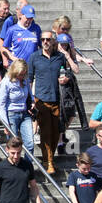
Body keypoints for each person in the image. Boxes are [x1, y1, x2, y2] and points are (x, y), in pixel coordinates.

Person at [28, 28, 74, 174]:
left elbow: (68, 72)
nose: (45, 42)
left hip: (57, 99)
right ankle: (49, 162)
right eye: (43, 40)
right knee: (46, 132)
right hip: (42, 100)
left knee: (56, 132)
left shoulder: (60, 57)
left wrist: (66, 77)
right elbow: (29, 78)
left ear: (53, 41)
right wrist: (30, 100)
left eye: (48, 39)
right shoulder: (34, 57)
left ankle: (49, 159)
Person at [0, 58, 35, 158]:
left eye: (23, 74)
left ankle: (28, 167)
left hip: (25, 114)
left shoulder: (25, 80)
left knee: (29, 143)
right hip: (11, 114)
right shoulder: (6, 82)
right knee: (13, 145)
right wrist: (5, 123)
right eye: (20, 74)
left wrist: (33, 103)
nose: (21, 76)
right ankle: (13, 167)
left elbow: (30, 95)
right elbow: (2, 104)